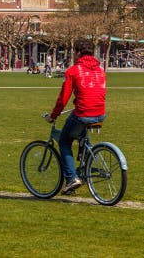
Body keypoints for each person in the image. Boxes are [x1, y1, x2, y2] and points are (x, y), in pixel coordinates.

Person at [45, 39, 107, 195]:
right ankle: (84, 164)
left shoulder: (73, 71)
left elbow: (63, 99)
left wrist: (53, 115)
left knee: (64, 141)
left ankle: (72, 179)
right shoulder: (100, 70)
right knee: (81, 135)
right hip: (100, 113)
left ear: (78, 52)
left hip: (83, 113)